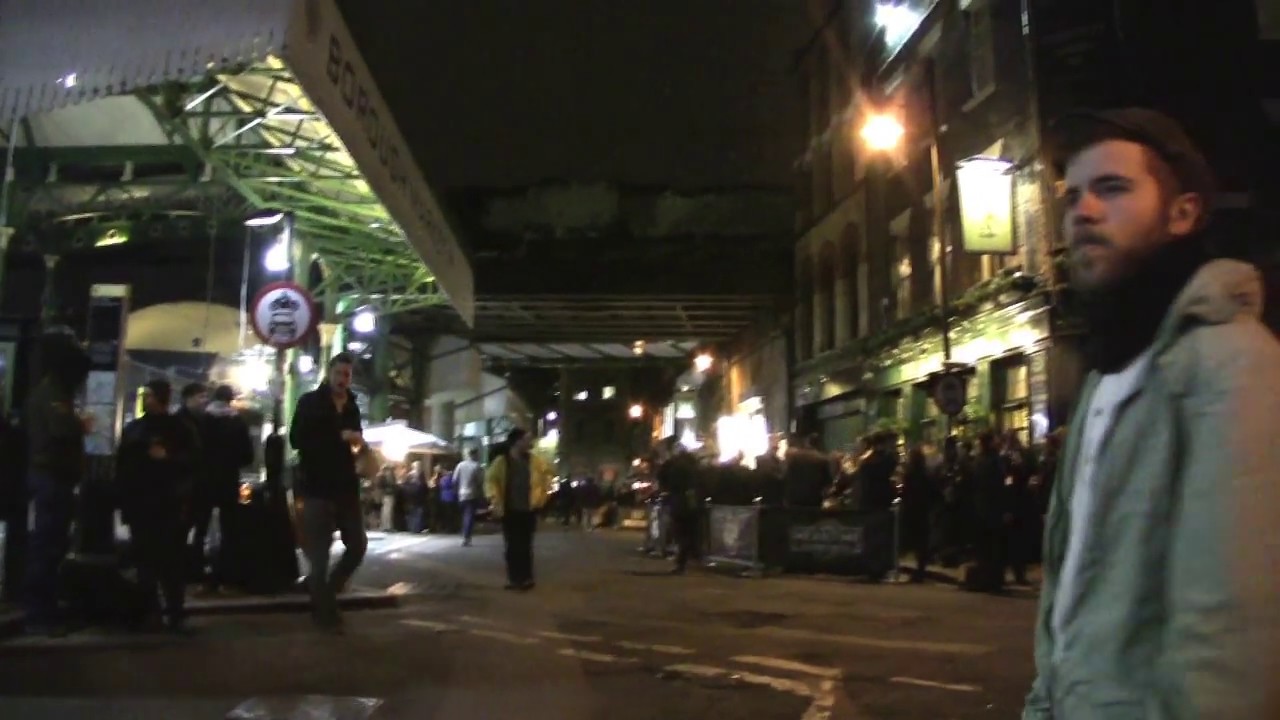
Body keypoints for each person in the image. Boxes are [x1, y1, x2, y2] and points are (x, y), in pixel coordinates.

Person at [1023, 108, 1280, 719]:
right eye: (1074, 195)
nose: (1082, 212)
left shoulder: (1232, 362)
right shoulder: (1105, 376)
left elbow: (1233, 630)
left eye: (1112, 189)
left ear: (1182, 212)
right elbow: (1067, 595)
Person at [289, 353, 368, 633]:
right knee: (319, 554)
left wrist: (358, 444)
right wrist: (338, 437)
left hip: (345, 485)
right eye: (339, 374)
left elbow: (356, 438)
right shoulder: (310, 402)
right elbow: (296, 439)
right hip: (315, 485)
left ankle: (323, 591)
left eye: (347, 375)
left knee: (357, 545)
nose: (343, 380)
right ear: (329, 372)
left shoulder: (353, 406)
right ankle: (324, 612)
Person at [21, 331, 90, 636]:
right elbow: (61, 428)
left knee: (52, 546)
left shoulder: (50, 390)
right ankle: (39, 615)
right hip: (51, 477)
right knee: (46, 547)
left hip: (54, 477)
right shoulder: (51, 394)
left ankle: (45, 610)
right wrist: (80, 424)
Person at [118, 380, 199, 633]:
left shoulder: (178, 429)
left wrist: (168, 460)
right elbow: (124, 467)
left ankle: (173, 612)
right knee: (146, 562)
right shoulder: (135, 429)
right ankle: (149, 612)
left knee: (169, 562)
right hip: (143, 504)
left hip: (167, 504)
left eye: (149, 395)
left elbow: (194, 463)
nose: (145, 399)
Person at [483, 428, 551, 590]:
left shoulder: (534, 461)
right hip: (509, 509)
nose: (530, 443)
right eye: (527, 439)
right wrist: (494, 498)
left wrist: (543, 495)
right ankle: (514, 578)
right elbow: (490, 481)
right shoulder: (502, 461)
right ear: (517, 441)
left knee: (526, 545)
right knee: (512, 545)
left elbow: (547, 475)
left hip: (529, 509)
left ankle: (526, 578)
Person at [454, 448, 484, 546]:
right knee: (469, 516)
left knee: (464, 515)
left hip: (461, 494)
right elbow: (480, 481)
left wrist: (457, 491)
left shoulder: (460, 465)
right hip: (472, 494)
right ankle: (466, 537)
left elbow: (455, 480)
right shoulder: (476, 466)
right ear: (475, 455)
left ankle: (464, 535)